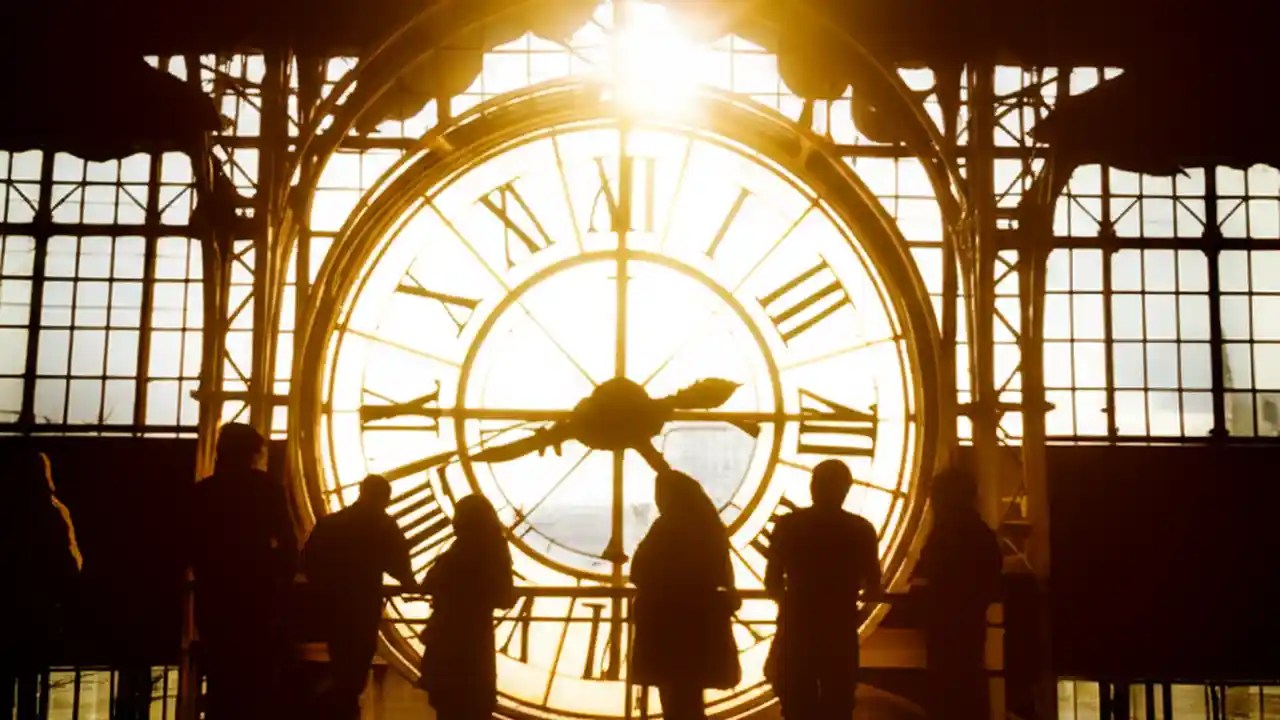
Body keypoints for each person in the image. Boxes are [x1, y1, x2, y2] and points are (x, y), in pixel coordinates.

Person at [188, 423, 296, 720]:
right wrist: (280, 582)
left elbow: (190, 544)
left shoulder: (203, 493)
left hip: (216, 598)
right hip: (258, 598)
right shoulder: (267, 490)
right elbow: (288, 543)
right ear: (253, 452)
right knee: (256, 682)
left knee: (224, 679)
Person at [764, 459, 882, 720]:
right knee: (837, 705)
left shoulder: (788, 526)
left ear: (813, 486)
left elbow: (772, 581)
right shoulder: (861, 530)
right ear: (845, 490)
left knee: (797, 706)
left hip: (796, 630)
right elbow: (874, 586)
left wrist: (788, 606)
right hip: (839, 632)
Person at [303, 474, 419, 720]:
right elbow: (399, 565)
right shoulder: (383, 525)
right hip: (364, 606)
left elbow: (308, 561)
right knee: (355, 667)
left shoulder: (331, 523)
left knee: (339, 665)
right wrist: (412, 585)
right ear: (384, 498)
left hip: (332, 607)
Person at [631, 470, 741, 720]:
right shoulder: (710, 530)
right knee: (688, 700)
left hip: (668, 631)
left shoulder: (667, 526)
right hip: (700, 630)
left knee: (675, 700)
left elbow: (639, 571)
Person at [913, 467, 1001, 720]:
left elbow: (929, 570)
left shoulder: (943, 534)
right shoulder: (980, 533)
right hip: (969, 625)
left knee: (945, 688)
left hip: (943, 625)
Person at [0, 451, 82, 720]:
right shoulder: (52, 511)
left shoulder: (8, 510)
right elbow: (67, 563)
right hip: (37, 614)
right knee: (30, 685)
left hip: (8, 610)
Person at [418, 495, 516, 720]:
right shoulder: (494, 551)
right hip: (476, 644)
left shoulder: (457, 553)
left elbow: (429, 584)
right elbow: (504, 598)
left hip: (448, 642)